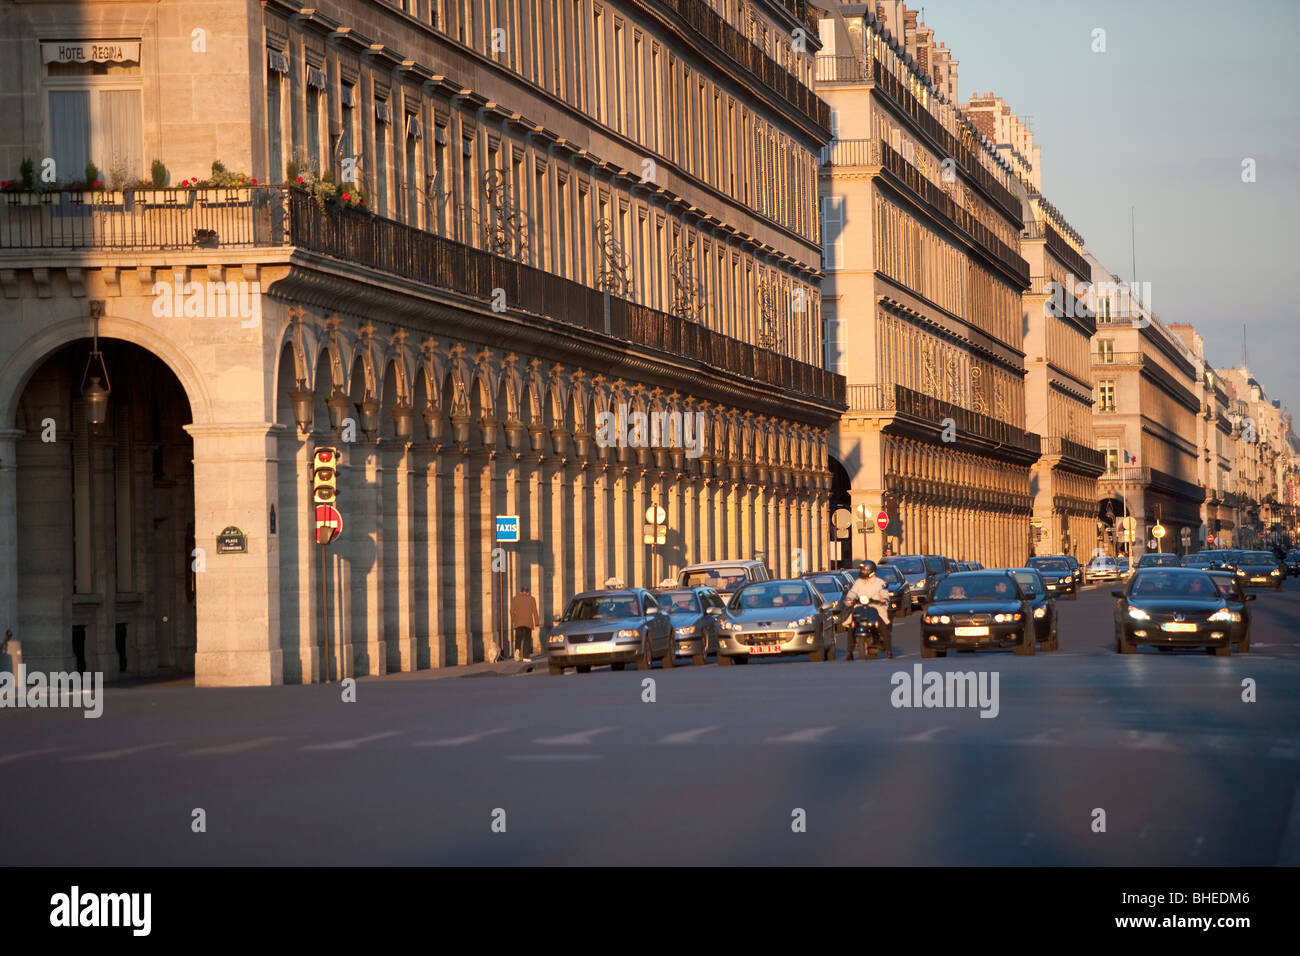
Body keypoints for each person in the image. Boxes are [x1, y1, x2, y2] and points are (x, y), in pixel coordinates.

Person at [842, 561, 892, 660]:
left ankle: (889, 651)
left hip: (875, 608)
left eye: (864, 570)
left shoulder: (880, 582)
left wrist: (884, 598)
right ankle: (850, 652)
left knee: (883, 626)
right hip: (860, 607)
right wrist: (849, 599)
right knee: (852, 626)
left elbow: (884, 592)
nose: (862, 572)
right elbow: (852, 592)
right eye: (861, 570)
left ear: (871, 571)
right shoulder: (858, 582)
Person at [509, 586, 539, 661]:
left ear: (521, 592)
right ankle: (525, 657)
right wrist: (537, 623)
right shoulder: (532, 599)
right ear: (528, 592)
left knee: (518, 638)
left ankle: (517, 650)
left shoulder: (515, 598)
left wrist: (514, 620)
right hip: (528, 623)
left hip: (518, 623)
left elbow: (511, 611)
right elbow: (535, 611)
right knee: (527, 640)